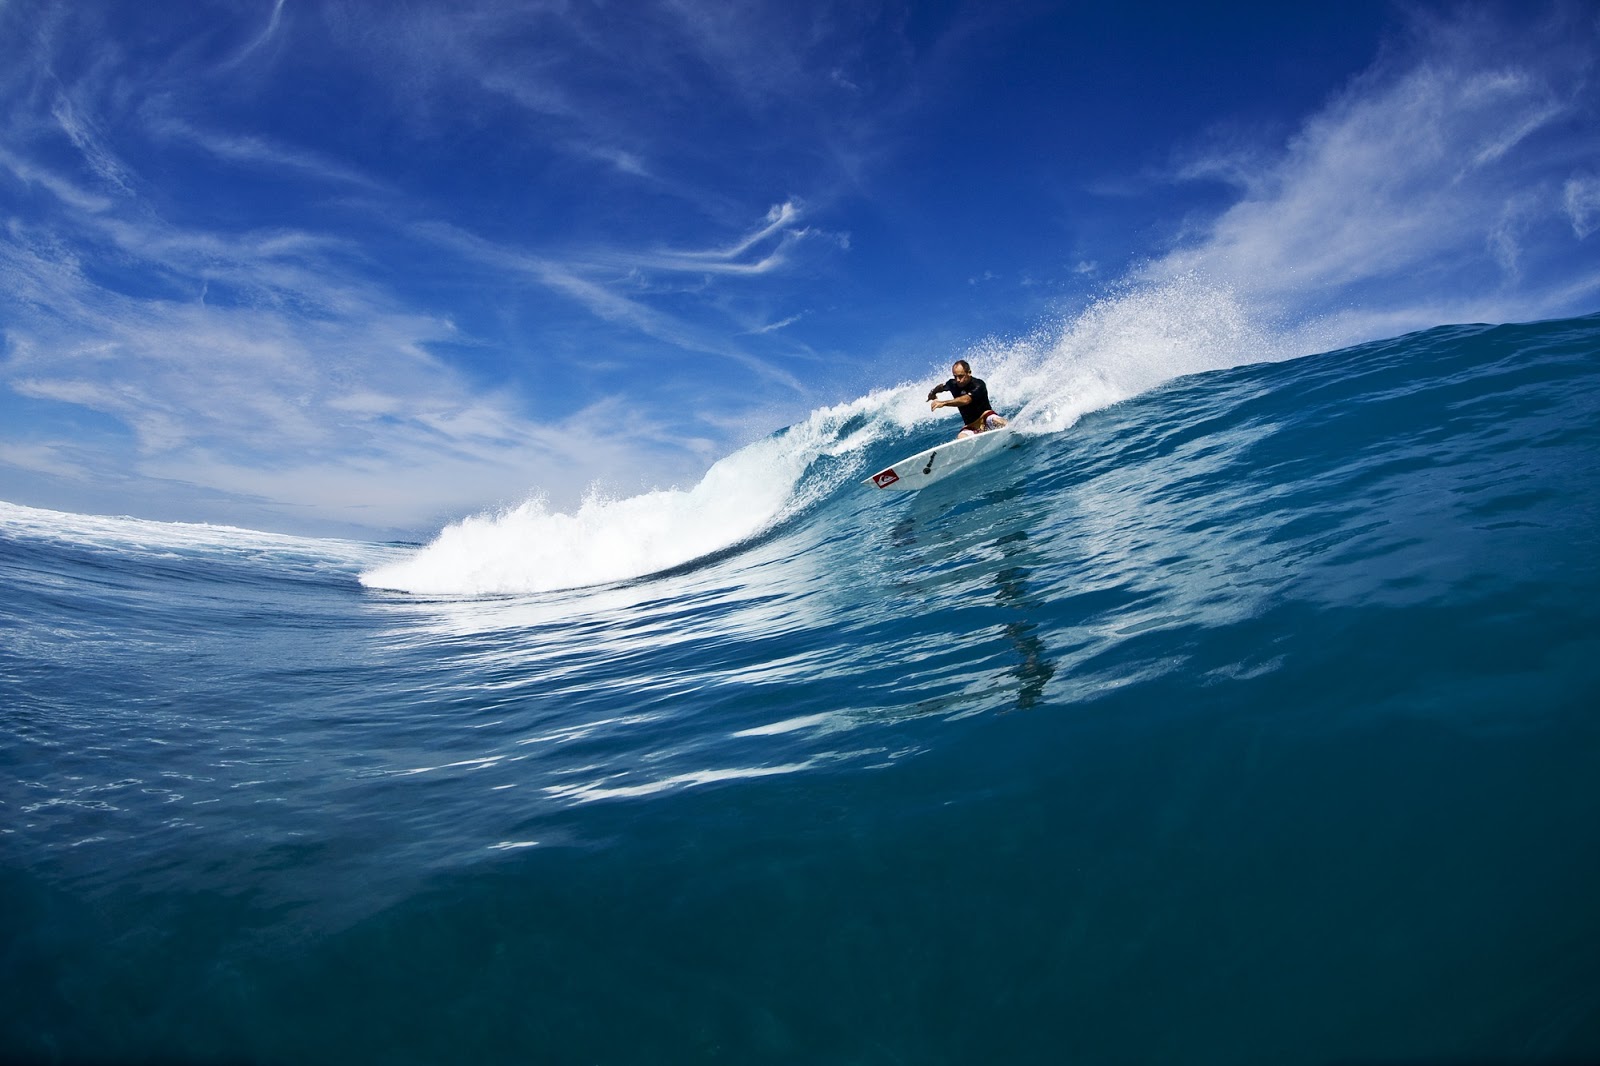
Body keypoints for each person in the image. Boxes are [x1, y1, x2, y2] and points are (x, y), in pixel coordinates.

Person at [927, 360, 1009, 437]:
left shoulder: (978, 384)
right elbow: (941, 387)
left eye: (961, 376)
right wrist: (933, 393)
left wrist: (944, 403)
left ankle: (1012, 430)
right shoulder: (952, 384)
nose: (958, 380)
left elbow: (966, 400)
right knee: (961, 437)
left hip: (986, 418)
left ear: (969, 373)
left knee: (997, 421)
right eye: (955, 376)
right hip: (971, 425)